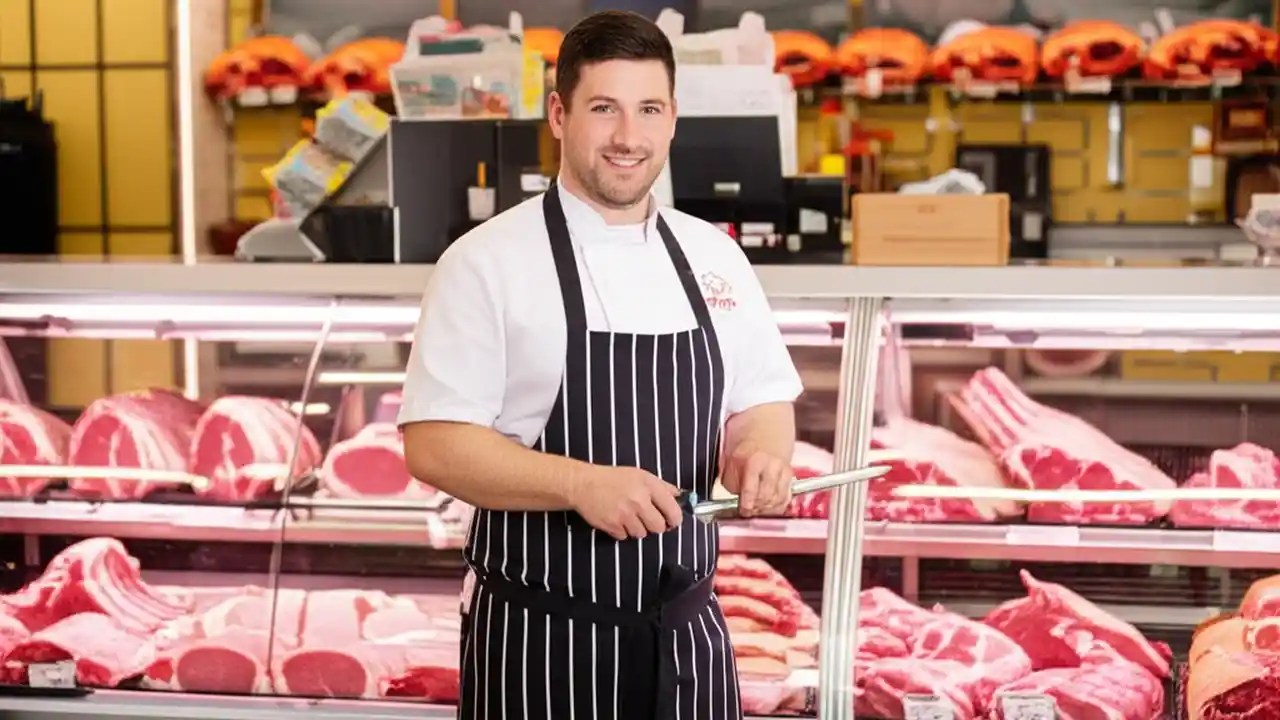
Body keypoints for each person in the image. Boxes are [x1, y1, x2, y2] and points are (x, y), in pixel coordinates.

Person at [397, 10, 803, 720]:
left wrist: (759, 453)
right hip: (541, 645)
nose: (629, 137)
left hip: (687, 645)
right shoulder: (486, 262)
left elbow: (761, 399)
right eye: (604, 109)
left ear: (674, 117)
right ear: (559, 114)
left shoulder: (714, 256)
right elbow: (434, 445)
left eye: (648, 109)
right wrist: (581, 485)